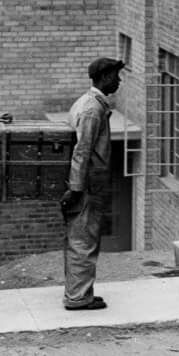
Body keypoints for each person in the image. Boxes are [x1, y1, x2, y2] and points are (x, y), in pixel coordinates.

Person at [61, 56, 125, 310]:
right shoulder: (92, 109)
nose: (118, 82)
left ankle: (81, 292)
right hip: (87, 185)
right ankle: (78, 297)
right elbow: (82, 150)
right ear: (105, 77)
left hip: (86, 184)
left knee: (82, 238)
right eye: (116, 76)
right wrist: (76, 188)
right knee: (83, 240)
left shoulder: (89, 104)